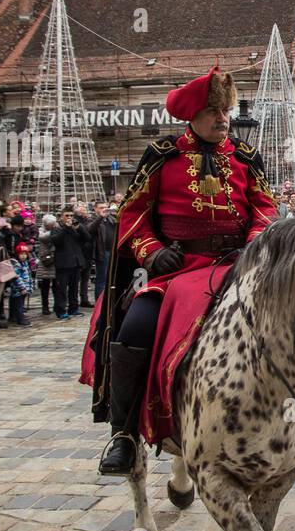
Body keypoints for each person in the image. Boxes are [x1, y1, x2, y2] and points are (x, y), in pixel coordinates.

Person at [84, 65, 277, 476]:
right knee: (135, 327)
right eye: (214, 113)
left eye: (226, 112)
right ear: (192, 115)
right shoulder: (162, 156)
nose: (223, 120)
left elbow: (265, 209)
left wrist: (252, 245)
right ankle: (123, 434)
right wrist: (152, 253)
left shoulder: (245, 158)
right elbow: (132, 215)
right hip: (174, 272)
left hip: (237, 267)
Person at [42, 207, 90, 319]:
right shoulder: (57, 228)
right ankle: (61, 310)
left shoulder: (75, 228)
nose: (69, 218)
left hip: (76, 262)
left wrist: (79, 228)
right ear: (61, 217)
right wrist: (66, 228)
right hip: (63, 263)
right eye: (67, 216)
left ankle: (74, 308)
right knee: (61, 289)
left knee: (74, 288)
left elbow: (87, 238)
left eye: (71, 216)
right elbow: (56, 241)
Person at [8, 241, 35, 327]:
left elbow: (28, 275)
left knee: (19, 303)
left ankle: (14, 317)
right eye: (21, 254)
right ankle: (20, 318)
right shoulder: (16, 263)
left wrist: (30, 286)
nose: (23, 256)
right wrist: (22, 287)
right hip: (18, 289)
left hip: (25, 287)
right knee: (18, 304)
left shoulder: (25, 263)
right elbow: (16, 277)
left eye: (25, 254)